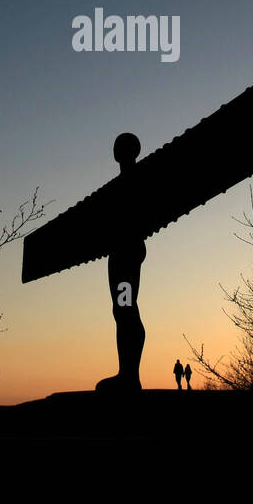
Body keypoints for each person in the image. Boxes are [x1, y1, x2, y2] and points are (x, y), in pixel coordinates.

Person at [95, 134, 147, 393]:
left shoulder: (137, 178)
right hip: (119, 250)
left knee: (126, 308)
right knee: (120, 309)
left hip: (128, 248)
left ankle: (130, 376)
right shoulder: (120, 183)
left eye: (122, 146)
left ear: (133, 151)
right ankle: (126, 373)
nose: (117, 150)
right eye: (116, 145)